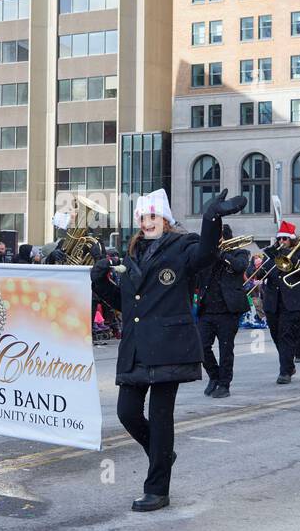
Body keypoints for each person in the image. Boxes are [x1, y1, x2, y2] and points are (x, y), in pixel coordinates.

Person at [91, 187, 246, 512]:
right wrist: (100, 281)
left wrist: (211, 217)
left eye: (153, 216)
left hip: (169, 345)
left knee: (161, 418)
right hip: (136, 347)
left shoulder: (183, 246)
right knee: (127, 413)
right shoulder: (133, 252)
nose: (147, 222)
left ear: (165, 218)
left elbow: (205, 254)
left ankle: (157, 489)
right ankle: (162, 453)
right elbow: (123, 302)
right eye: (142, 217)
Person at [197, 223, 250, 399]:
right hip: (207, 309)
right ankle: (214, 376)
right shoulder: (206, 255)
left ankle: (224, 384)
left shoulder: (239, 252)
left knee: (226, 350)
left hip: (228, 310)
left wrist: (222, 254)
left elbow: (239, 267)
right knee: (202, 347)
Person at [261, 221, 300, 385]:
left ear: (292, 240)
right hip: (273, 303)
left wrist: (290, 255)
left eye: (285, 238)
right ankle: (288, 365)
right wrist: (269, 259)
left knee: (286, 336)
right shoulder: (272, 256)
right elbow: (254, 274)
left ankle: (284, 372)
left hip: (293, 303)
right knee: (277, 336)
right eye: (279, 238)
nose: (282, 241)